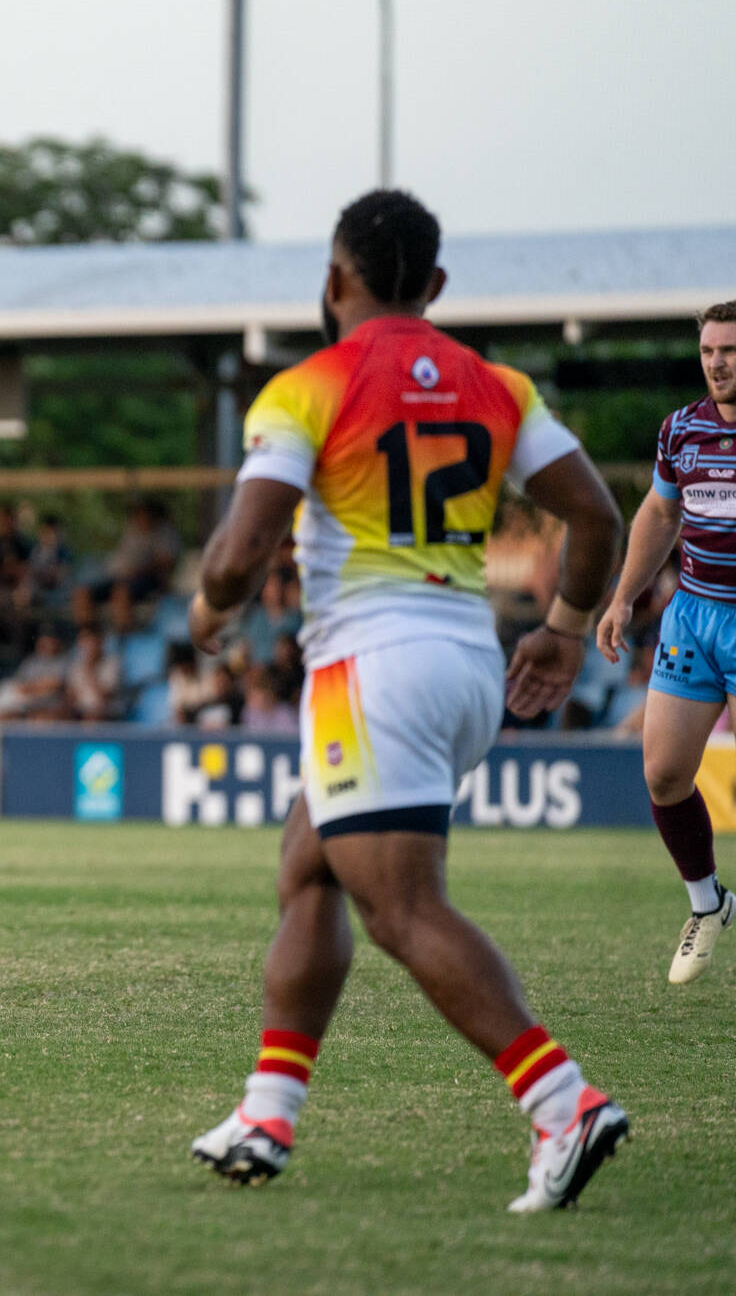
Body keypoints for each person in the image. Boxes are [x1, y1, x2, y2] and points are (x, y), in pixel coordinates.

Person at [183, 190, 627, 1212]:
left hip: (366, 674)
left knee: (400, 908)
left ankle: (561, 1100)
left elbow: (242, 548)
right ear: (430, 287)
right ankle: (266, 1111)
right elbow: (592, 514)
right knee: (307, 864)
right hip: (464, 664)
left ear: (331, 283)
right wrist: (560, 631)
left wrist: (209, 613)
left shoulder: (307, 386)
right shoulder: (494, 384)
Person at [594, 300, 736, 983]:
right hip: (693, 616)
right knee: (664, 773)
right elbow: (659, 510)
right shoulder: (681, 429)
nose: (718, 362)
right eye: (710, 350)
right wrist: (624, 597)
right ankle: (708, 905)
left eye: (730, 350)